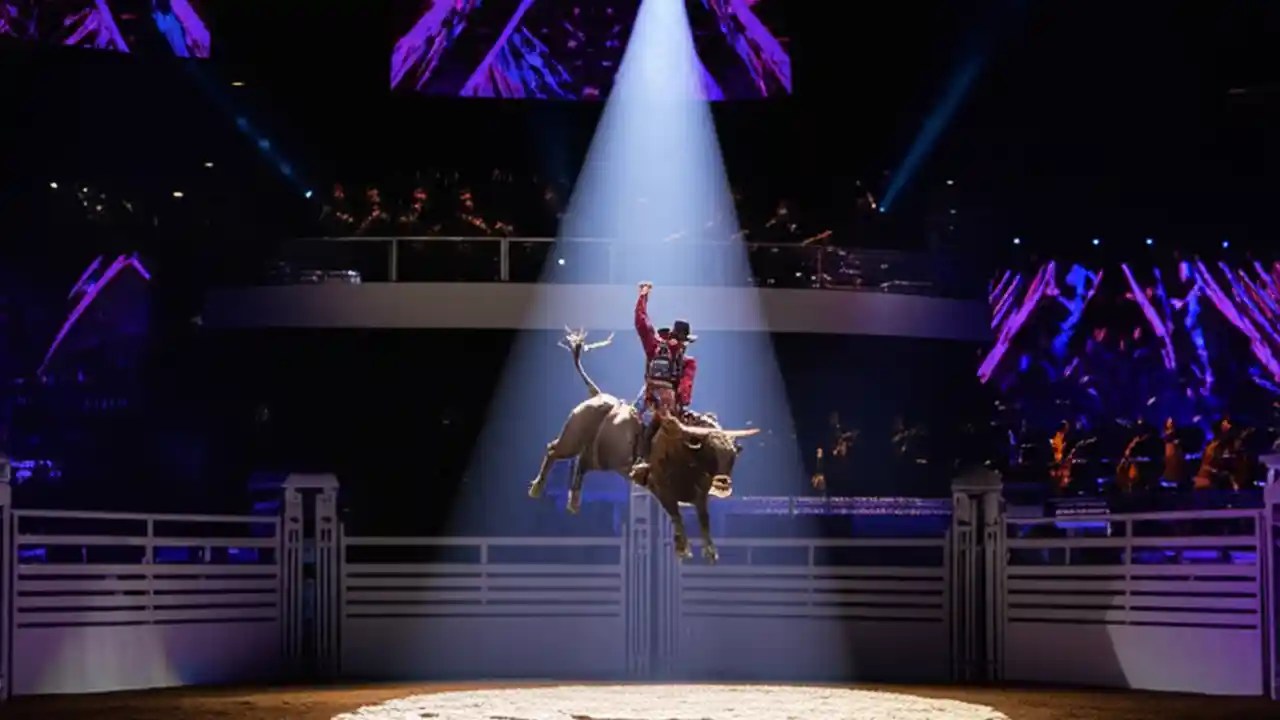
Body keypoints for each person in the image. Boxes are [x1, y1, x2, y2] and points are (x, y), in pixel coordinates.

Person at [630, 281, 697, 483]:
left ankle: (643, 458)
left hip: (660, 397)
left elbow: (686, 385)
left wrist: (680, 403)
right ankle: (642, 459)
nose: (682, 344)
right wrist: (643, 297)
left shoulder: (679, 358)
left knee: (640, 418)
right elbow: (642, 323)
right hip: (657, 397)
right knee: (640, 420)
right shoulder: (663, 350)